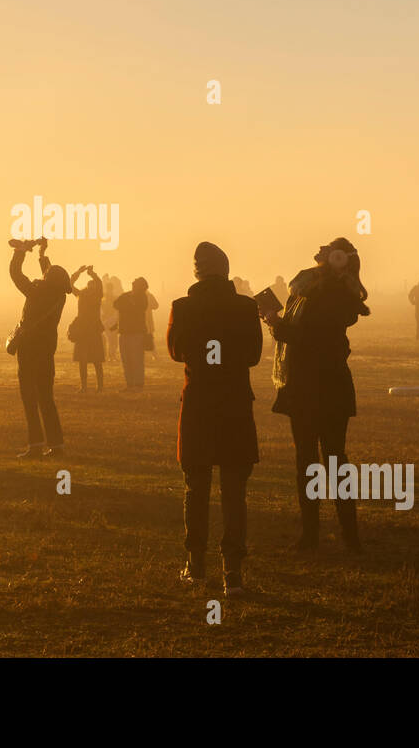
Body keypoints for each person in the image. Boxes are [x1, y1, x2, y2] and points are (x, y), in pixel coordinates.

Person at [168, 242, 263, 595]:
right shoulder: (246, 307)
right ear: (225, 270)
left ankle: (195, 566)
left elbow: (176, 351)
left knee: (196, 488)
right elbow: (253, 355)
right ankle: (233, 572)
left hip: (198, 409)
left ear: (197, 272)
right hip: (236, 406)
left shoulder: (183, 307)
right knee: (235, 492)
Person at [266, 237, 370, 552]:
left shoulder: (327, 293)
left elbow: (302, 336)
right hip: (333, 385)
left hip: (307, 387)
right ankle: (347, 533)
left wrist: (274, 323)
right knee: (335, 458)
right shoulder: (336, 292)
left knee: (308, 460)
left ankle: (312, 534)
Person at [9, 239, 70, 458]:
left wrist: (20, 252)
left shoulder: (36, 292)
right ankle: (56, 444)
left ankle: (35, 444)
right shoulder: (58, 295)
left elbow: (16, 274)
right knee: (46, 397)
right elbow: (50, 275)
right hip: (46, 351)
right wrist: (42, 255)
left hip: (28, 350)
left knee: (29, 397)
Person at [68, 265, 105, 391]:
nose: (92, 286)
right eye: (90, 285)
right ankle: (85, 387)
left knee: (96, 360)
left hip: (92, 330)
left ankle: (99, 387)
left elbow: (99, 283)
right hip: (83, 330)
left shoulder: (96, 295)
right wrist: (79, 272)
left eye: (93, 285)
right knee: (84, 361)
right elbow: (70, 285)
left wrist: (90, 273)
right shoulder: (83, 295)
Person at [112, 278, 152, 389]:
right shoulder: (127, 296)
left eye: (135, 284)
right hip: (124, 331)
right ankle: (130, 383)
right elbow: (116, 304)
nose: (133, 285)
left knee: (136, 359)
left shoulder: (142, 297)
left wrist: (127, 305)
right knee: (126, 359)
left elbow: (139, 308)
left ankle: (138, 383)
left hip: (136, 333)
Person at [101, 275, 121, 362]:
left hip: (109, 320)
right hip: (110, 320)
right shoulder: (110, 298)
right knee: (112, 339)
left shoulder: (104, 298)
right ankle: (111, 355)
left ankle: (111, 355)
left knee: (111, 339)